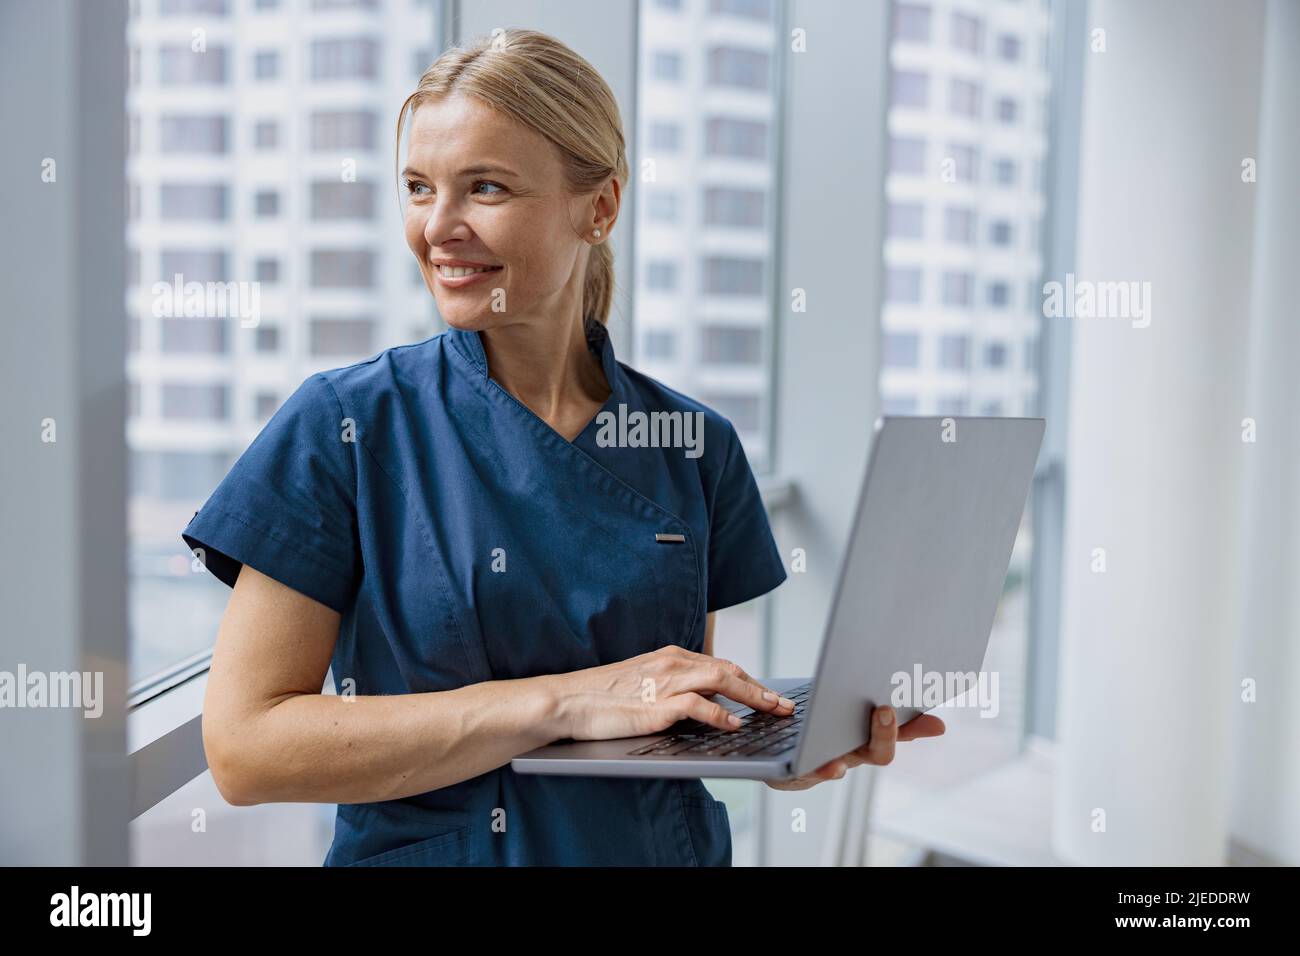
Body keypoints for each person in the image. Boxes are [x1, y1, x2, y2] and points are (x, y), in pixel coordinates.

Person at [185, 28, 944, 867]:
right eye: (417, 187)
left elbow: (659, 718)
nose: (438, 227)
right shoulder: (343, 426)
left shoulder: (694, 445)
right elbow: (247, 750)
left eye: (486, 188)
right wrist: (566, 701)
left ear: (601, 206)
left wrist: (773, 744)